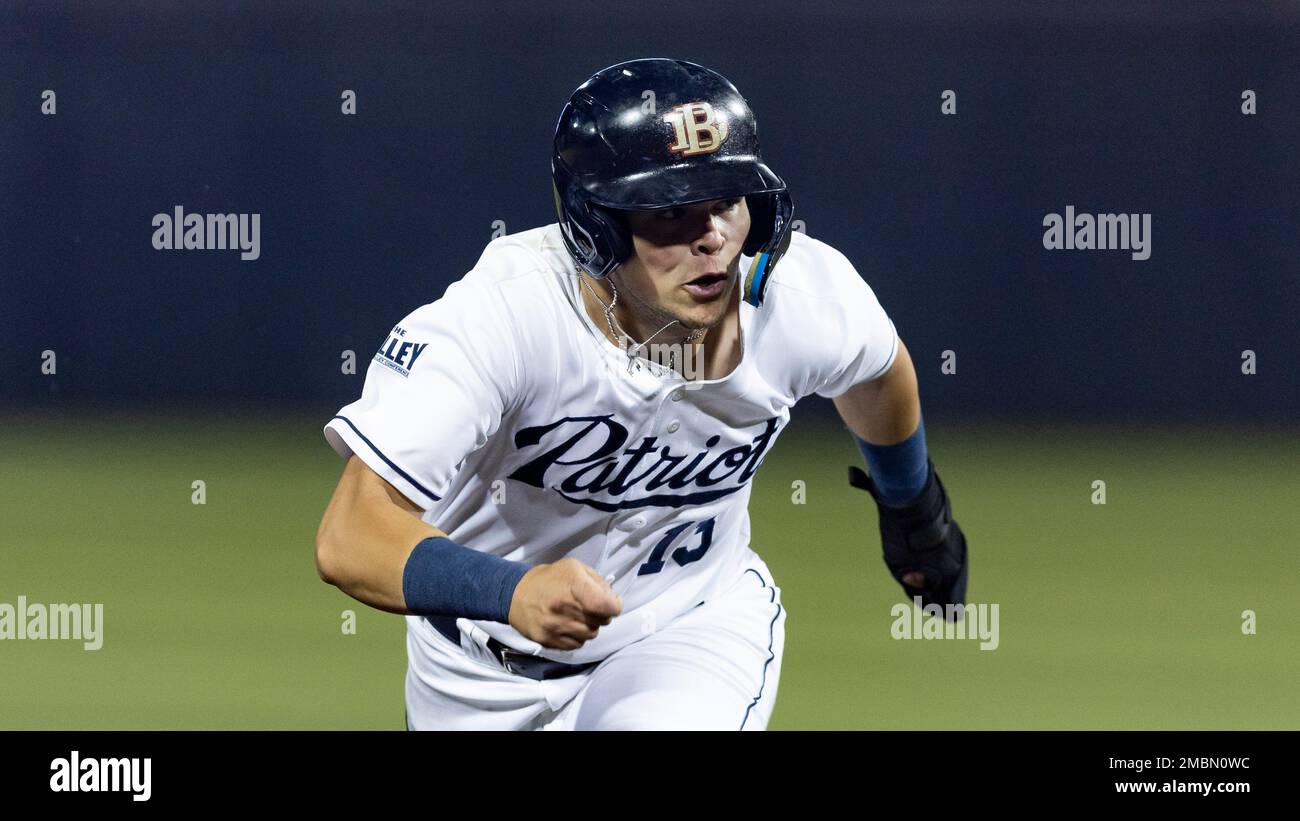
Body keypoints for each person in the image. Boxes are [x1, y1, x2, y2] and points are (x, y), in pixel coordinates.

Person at [314, 57, 968, 731]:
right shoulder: (501, 320)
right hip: (472, 676)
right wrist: (509, 591)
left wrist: (915, 509)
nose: (711, 238)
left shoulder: (800, 297)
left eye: (725, 202)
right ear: (595, 226)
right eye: (671, 211)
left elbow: (879, 375)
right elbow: (350, 536)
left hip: (688, 634)